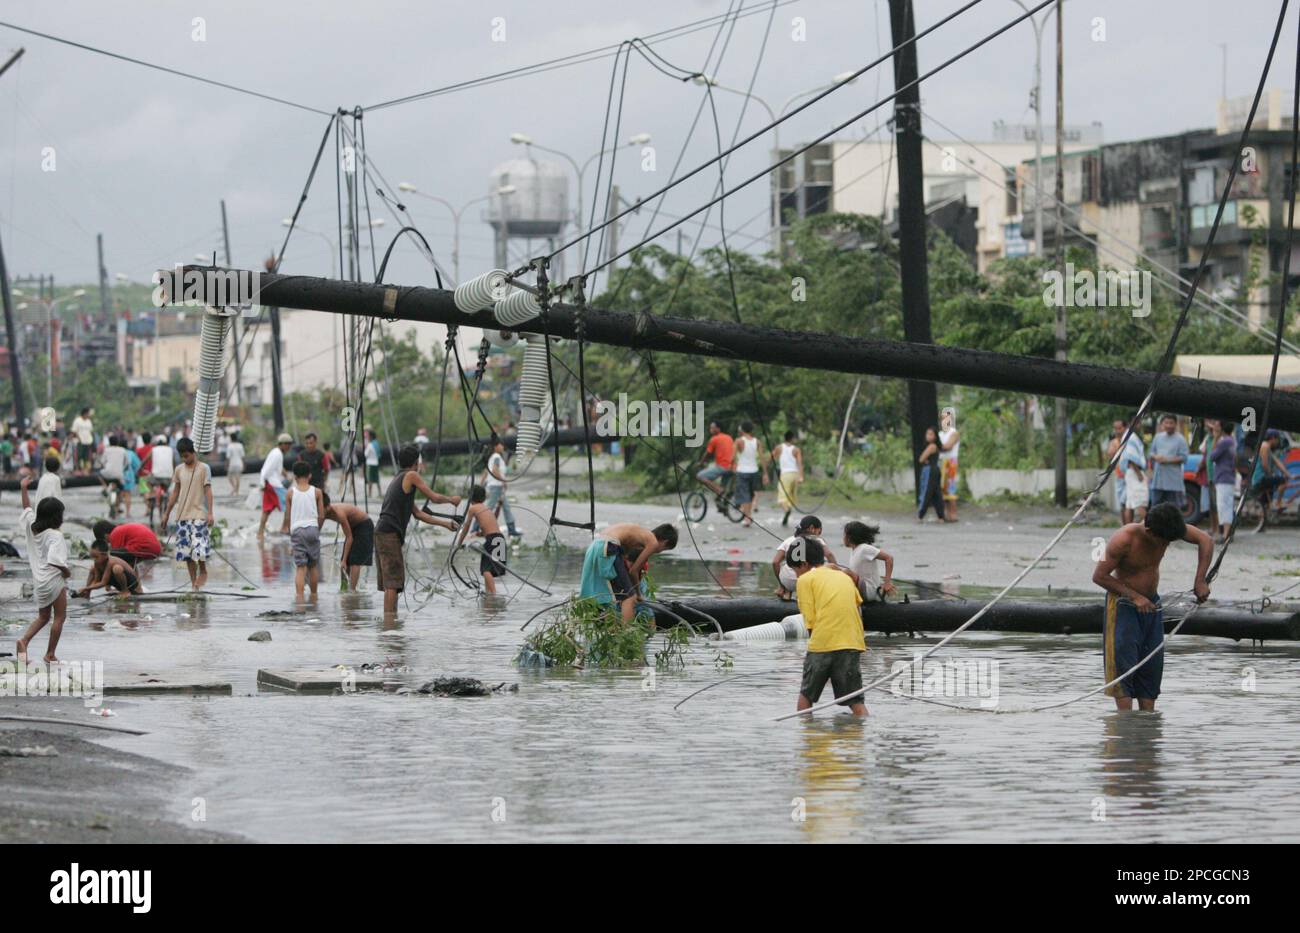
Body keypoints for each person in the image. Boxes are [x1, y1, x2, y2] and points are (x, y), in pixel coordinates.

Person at [1092, 501, 1211, 712]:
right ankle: (1125, 730)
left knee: (1151, 673)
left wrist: (1200, 580)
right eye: (1163, 541)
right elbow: (1099, 576)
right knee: (1124, 675)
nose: (1164, 545)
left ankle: (1147, 729)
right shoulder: (1123, 539)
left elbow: (1205, 540)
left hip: (1152, 606)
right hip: (1123, 607)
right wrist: (1135, 597)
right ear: (1150, 531)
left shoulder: (1168, 528)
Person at [374, 444, 462, 614]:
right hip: (388, 533)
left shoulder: (400, 480)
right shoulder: (411, 475)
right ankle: (390, 623)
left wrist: (446, 523)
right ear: (416, 463)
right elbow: (434, 498)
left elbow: (419, 514)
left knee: (390, 584)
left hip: (382, 532)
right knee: (392, 583)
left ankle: (390, 624)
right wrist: (452, 499)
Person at [789, 537, 868, 718]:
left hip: (823, 643)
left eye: (794, 570)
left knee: (806, 697)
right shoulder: (843, 576)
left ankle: (806, 732)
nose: (795, 575)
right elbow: (856, 607)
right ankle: (858, 739)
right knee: (855, 701)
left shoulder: (805, 580)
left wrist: (814, 652)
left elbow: (811, 621)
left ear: (803, 564)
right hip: (852, 643)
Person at [15, 477, 70, 663]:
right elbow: (55, 559)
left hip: (39, 580)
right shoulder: (55, 536)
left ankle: (24, 640)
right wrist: (66, 571)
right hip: (54, 580)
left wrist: (24, 488)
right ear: (57, 517)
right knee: (60, 617)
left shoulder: (32, 526)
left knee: (43, 617)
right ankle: (50, 654)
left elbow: (27, 508)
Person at [579, 522, 678, 621]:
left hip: (595, 546)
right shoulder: (652, 542)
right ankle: (627, 633)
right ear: (665, 542)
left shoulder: (639, 535)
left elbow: (624, 560)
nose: (658, 551)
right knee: (629, 598)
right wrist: (638, 594)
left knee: (602, 591)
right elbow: (633, 571)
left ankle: (610, 624)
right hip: (608, 546)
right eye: (663, 549)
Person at [162, 438, 214, 591]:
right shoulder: (179, 470)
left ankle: (203, 570)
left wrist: (210, 512)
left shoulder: (204, 468)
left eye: (186, 456)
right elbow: (175, 492)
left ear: (194, 452)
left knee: (199, 548)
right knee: (186, 553)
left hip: (199, 513)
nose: (184, 459)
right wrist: (166, 513)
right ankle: (193, 584)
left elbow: (208, 491)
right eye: (182, 456)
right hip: (182, 515)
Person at [282, 461, 326, 599]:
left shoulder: (290, 493)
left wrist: (290, 534)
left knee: (301, 568)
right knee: (313, 566)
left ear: (295, 477)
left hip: (297, 530)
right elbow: (322, 515)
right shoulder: (317, 492)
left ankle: (299, 599)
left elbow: (288, 516)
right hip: (313, 528)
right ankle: (314, 596)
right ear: (310, 475)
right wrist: (316, 529)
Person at [454, 485, 508, 595]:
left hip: (492, 540)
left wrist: (459, 543)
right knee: (492, 570)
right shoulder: (486, 507)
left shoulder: (473, 508)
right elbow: (493, 521)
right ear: (483, 497)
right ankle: (490, 593)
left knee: (486, 570)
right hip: (500, 539)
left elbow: (466, 527)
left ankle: (492, 594)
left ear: (470, 498)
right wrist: (479, 533)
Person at [773, 515, 838, 600]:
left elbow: (775, 562)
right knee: (820, 565)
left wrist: (782, 584)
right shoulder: (817, 540)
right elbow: (829, 555)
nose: (819, 535)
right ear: (812, 528)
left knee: (789, 564)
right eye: (819, 531)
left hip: (787, 581)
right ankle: (804, 595)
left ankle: (786, 592)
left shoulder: (788, 540)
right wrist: (836, 572)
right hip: (807, 581)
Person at [322, 494, 373, 591]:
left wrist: (344, 560)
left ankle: (352, 591)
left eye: (320, 508)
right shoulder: (322, 513)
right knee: (344, 563)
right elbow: (316, 529)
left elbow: (349, 538)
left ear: (328, 507)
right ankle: (344, 588)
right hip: (353, 527)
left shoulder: (339, 513)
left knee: (354, 560)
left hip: (364, 525)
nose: (319, 511)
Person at [842, 521, 896, 602]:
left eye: (844, 534)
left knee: (846, 571)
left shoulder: (864, 548)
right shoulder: (854, 551)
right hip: (862, 589)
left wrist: (887, 583)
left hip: (871, 592)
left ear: (850, 537)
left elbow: (889, 558)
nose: (843, 537)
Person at [74, 539, 143, 599]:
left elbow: (103, 583)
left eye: (96, 557)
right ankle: (87, 594)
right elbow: (96, 580)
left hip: (132, 584)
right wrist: (87, 589)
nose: (94, 560)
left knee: (117, 568)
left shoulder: (110, 562)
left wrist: (86, 588)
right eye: (92, 557)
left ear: (105, 555)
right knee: (92, 569)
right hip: (117, 582)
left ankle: (125, 591)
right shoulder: (97, 563)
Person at [481, 437, 521, 539]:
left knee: (506, 508)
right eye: (501, 445)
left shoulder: (492, 457)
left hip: (496, 486)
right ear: (496, 446)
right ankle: (477, 528)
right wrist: (503, 481)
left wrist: (482, 484)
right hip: (496, 486)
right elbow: (494, 470)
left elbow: (486, 472)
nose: (503, 447)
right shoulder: (497, 457)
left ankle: (512, 530)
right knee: (488, 509)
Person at [1148, 414, 1189, 510]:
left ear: (1176, 424)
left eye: (1171, 423)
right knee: (1155, 509)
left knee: (1172, 511)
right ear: (1162, 424)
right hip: (1158, 481)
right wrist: (1155, 456)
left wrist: (1167, 460)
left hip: (1173, 483)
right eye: (1166, 423)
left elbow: (1184, 458)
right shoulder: (1157, 437)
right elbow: (1151, 453)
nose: (1169, 425)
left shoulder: (1180, 439)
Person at [258, 433, 293, 538]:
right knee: (289, 504)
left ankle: (260, 533)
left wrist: (287, 476)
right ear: (282, 444)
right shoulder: (277, 454)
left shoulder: (276, 453)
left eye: (289, 444)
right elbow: (266, 469)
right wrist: (262, 483)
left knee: (267, 510)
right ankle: (285, 528)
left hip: (270, 484)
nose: (289, 447)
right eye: (287, 444)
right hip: (273, 485)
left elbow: (279, 468)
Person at [732, 421, 767, 528]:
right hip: (754, 471)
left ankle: (748, 517)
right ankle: (748, 515)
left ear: (741, 430)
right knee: (751, 495)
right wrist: (765, 473)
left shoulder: (738, 441)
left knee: (744, 495)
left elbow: (733, 457)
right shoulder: (757, 442)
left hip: (742, 471)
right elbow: (762, 458)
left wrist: (733, 466)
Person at [1207, 419, 1237, 542]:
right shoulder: (1231, 441)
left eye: (1217, 425)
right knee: (1227, 505)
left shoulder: (1225, 441)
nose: (1215, 427)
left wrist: (1215, 437)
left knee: (1223, 506)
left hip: (1223, 477)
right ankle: (1226, 533)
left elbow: (1212, 456)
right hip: (1227, 476)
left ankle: (1225, 535)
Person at [1251, 429, 1290, 523]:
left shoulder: (1267, 447)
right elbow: (1265, 465)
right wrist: (1271, 474)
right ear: (1273, 438)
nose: (1277, 442)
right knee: (1283, 481)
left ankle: (1263, 521)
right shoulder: (1265, 446)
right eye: (1277, 439)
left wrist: (1287, 473)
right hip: (1260, 478)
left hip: (1261, 478)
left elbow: (1277, 462)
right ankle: (1278, 503)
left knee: (1266, 501)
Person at [92, 519, 162, 567]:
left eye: (106, 541)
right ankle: (136, 585)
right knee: (129, 562)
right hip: (156, 548)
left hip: (145, 548)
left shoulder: (115, 533)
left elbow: (115, 559)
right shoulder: (121, 529)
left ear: (105, 535)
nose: (108, 543)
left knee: (110, 555)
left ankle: (125, 584)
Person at [771, 431, 804, 526]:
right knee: (791, 496)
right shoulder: (796, 449)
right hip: (795, 474)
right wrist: (801, 476)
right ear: (792, 438)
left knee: (782, 496)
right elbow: (799, 463)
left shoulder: (779, 447)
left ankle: (786, 510)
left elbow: (772, 456)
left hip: (785, 475)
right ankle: (788, 509)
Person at [695, 421, 734, 499]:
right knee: (724, 490)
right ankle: (722, 506)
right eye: (710, 427)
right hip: (732, 467)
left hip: (722, 466)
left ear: (718, 429)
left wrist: (701, 463)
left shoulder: (714, 439)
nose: (711, 429)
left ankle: (718, 490)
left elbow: (707, 453)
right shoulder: (729, 437)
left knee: (700, 476)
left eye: (713, 427)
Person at [1119, 423, 1148, 524]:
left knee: (1130, 503)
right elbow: (1131, 457)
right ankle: (1150, 527)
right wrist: (1139, 474)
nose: (1140, 425)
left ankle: (1128, 529)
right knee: (1140, 502)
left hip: (1131, 472)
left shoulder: (1128, 435)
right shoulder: (1131, 436)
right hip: (1134, 471)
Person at [916, 426, 945, 522]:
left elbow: (921, 459)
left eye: (931, 434)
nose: (928, 436)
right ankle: (941, 516)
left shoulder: (932, 446)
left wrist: (925, 459)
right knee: (936, 493)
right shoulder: (934, 446)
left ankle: (920, 515)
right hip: (935, 470)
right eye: (927, 434)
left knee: (926, 492)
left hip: (930, 471)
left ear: (935, 436)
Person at [148, 432, 175, 529]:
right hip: (168, 477)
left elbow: (144, 462)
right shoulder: (170, 450)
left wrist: (139, 469)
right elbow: (174, 464)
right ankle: (165, 495)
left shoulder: (153, 450)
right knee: (167, 490)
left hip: (156, 477)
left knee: (148, 481)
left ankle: (152, 493)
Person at [938, 407, 960, 522]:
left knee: (950, 489)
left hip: (950, 462)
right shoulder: (940, 434)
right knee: (943, 489)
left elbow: (947, 446)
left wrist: (936, 447)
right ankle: (946, 513)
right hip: (942, 462)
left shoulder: (954, 433)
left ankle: (953, 514)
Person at [99, 433, 128, 516]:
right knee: (120, 490)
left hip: (107, 474)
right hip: (119, 474)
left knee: (99, 474)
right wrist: (122, 469)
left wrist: (105, 467)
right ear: (118, 442)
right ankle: (118, 507)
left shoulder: (106, 450)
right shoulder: (123, 450)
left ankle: (105, 487)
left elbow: (102, 462)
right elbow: (126, 463)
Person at [1106, 420, 1128, 517]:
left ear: (1125, 428)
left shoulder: (1130, 440)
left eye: (1120, 428)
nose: (1117, 431)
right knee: (1122, 503)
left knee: (1128, 502)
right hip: (1120, 475)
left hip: (1130, 475)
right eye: (1115, 429)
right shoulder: (1114, 442)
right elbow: (1110, 455)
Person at [118, 437, 141, 518]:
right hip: (128, 476)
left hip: (118, 475)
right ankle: (127, 513)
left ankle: (116, 510)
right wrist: (134, 472)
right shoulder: (131, 453)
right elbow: (138, 465)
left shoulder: (118, 452)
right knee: (128, 494)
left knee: (119, 493)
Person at [71, 407, 94, 473]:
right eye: (88, 414)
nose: (89, 415)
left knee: (86, 457)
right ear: (85, 413)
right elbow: (74, 431)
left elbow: (90, 431)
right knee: (79, 456)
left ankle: (85, 470)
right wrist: (79, 439)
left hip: (88, 442)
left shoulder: (89, 421)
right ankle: (78, 470)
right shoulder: (77, 420)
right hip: (80, 442)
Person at [225, 431, 245, 496]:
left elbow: (228, 457)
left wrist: (226, 465)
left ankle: (234, 489)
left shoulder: (229, 446)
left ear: (231, 438)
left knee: (229, 477)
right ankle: (237, 491)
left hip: (232, 464)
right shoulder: (240, 445)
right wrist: (244, 464)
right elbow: (242, 456)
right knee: (238, 478)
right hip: (239, 464)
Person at [364, 429, 382, 499]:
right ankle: (380, 493)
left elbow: (366, 454)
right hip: (376, 463)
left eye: (368, 436)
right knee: (377, 479)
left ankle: (369, 494)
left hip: (370, 463)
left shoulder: (370, 445)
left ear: (370, 436)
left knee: (370, 479)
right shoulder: (376, 443)